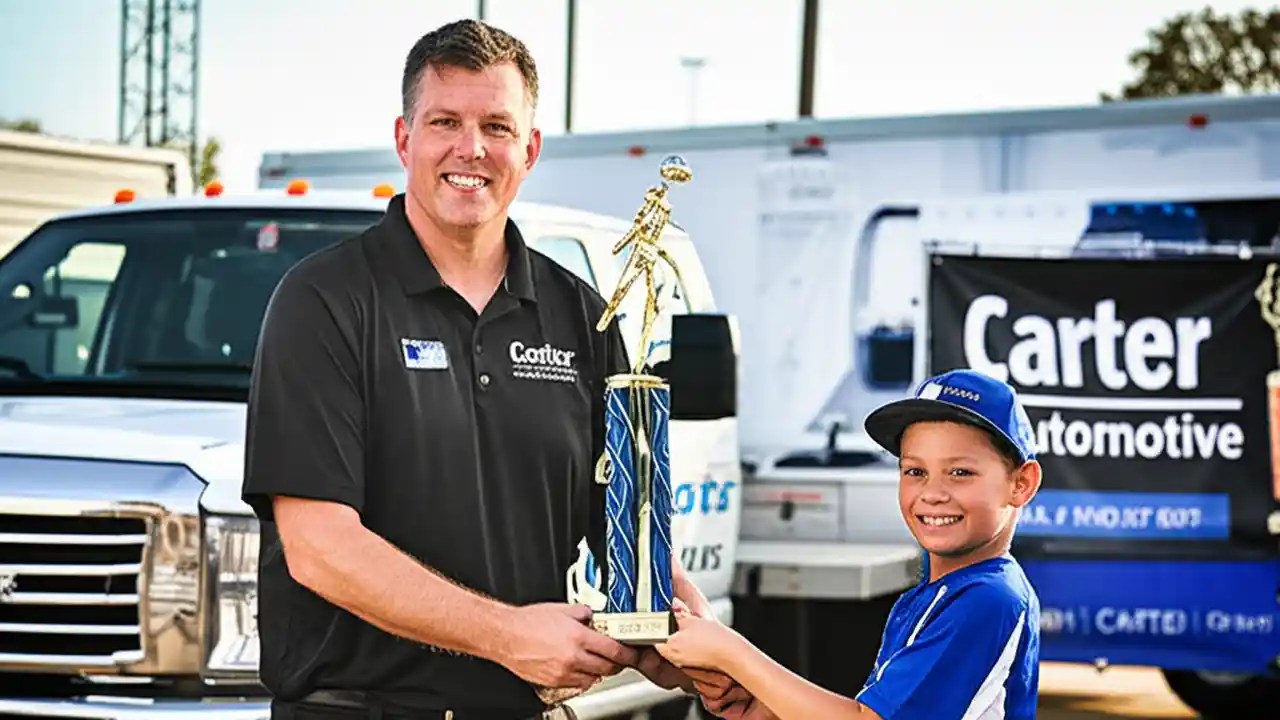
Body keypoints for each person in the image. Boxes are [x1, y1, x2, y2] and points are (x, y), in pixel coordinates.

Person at [242, 18, 723, 720]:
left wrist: (682, 627)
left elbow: (621, 528)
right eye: (445, 121)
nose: (471, 149)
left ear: (528, 150)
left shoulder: (579, 315)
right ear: (405, 139)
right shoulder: (326, 301)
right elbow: (320, 546)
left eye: (497, 126)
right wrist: (506, 637)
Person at [657, 368, 1044, 720]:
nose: (933, 493)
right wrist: (760, 703)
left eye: (960, 472)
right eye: (915, 471)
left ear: (1021, 483)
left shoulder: (988, 599)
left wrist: (731, 651)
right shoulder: (938, 593)